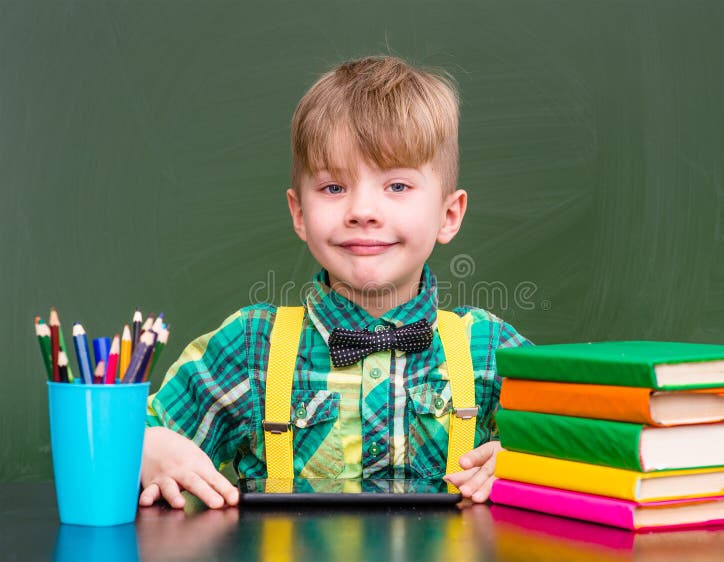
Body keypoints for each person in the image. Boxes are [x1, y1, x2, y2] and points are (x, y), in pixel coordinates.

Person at [140, 55, 532, 510]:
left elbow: (589, 447)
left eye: (397, 186)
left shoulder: (487, 349)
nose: (362, 211)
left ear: (449, 215)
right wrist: (144, 449)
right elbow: (125, 441)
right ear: (299, 214)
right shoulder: (250, 347)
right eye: (333, 188)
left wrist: (528, 463)